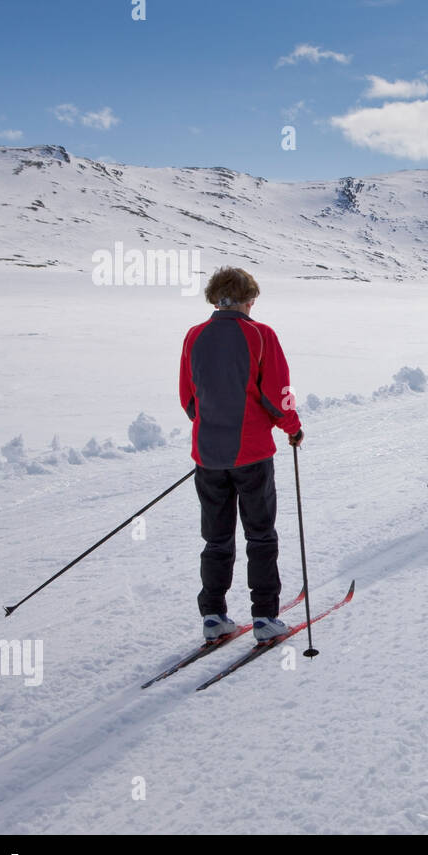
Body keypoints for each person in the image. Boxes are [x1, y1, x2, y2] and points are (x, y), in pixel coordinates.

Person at [179, 266, 303, 642]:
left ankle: (213, 614)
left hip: (208, 458)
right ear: (248, 299)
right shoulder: (260, 335)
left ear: (216, 299)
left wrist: (212, 429)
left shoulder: (194, 336)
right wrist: (293, 428)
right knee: (261, 536)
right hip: (252, 457)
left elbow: (189, 397)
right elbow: (277, 394)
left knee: (216, 539)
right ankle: (265, 617)